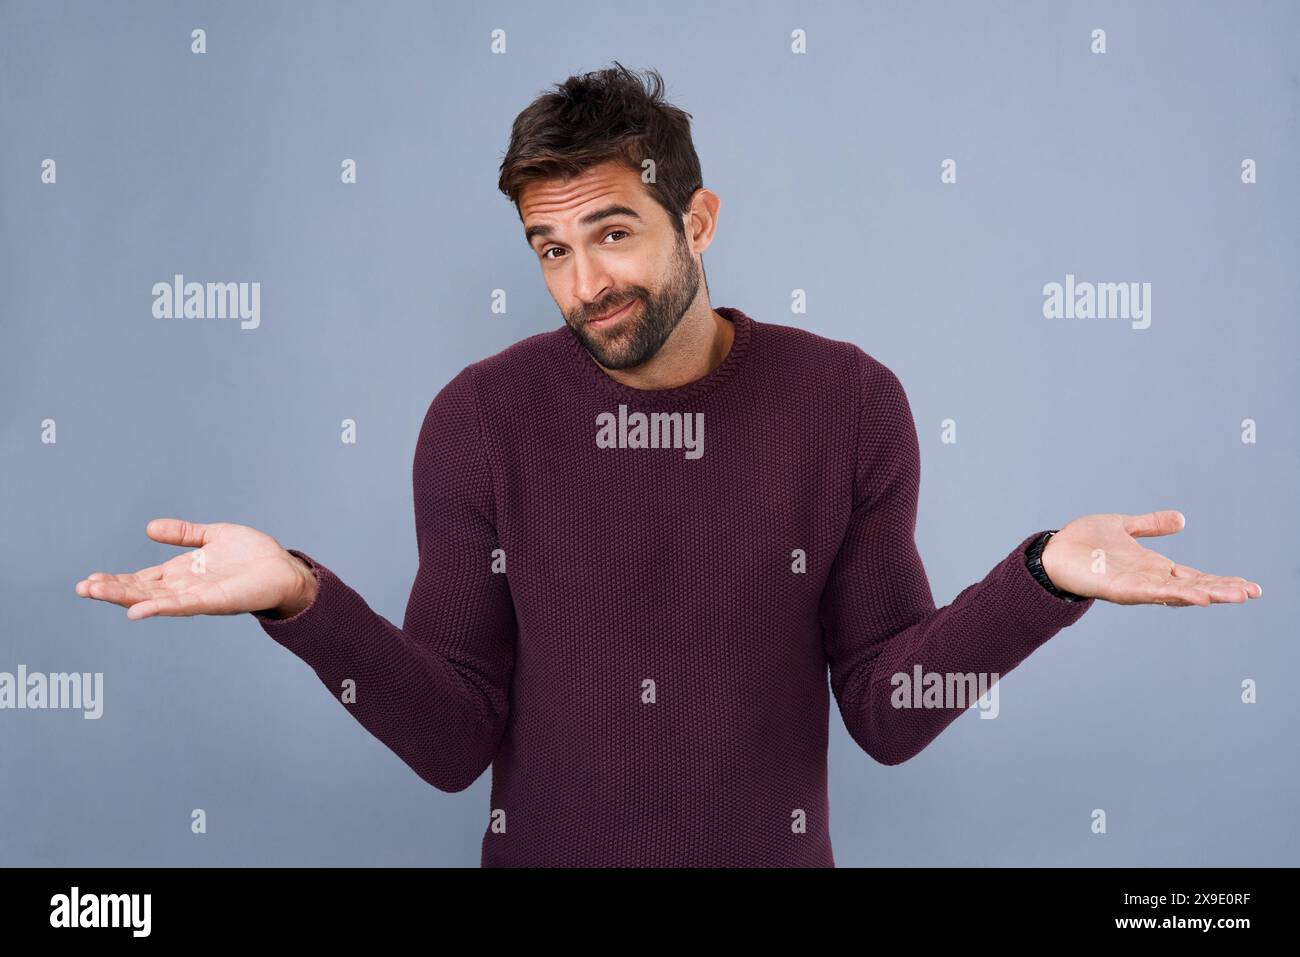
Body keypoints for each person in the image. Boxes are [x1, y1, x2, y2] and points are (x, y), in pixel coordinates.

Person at [74, 62, 1262, 867]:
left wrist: (1040, 582)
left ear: (695, 222)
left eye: (612, 234)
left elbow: (890, 715)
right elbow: (449, 744)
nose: (583, 283)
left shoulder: (845, 403)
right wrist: (298, 597)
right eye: (549, 248)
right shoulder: (480, 421)